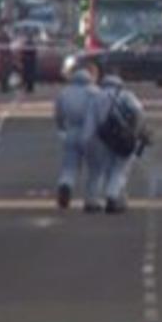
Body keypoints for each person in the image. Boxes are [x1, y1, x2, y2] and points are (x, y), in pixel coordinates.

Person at [83, 71, 151, 214]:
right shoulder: (126, 95)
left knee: (105, 169)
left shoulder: (95, 97)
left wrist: (87, 140)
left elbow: (90, 123)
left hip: (104, 137)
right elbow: (139, 112)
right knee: (119, 170)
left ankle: (96, 199)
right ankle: (112, 197)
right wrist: (136, 131)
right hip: (124, 137)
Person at [53, 58, 101, 210]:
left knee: (69, 165)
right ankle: (91, 200)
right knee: (94, 168)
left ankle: (65, 184)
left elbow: (58, 115)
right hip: (91, 133)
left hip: (71, 131)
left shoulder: (64, 93)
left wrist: (62, 130)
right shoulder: (95, 92)